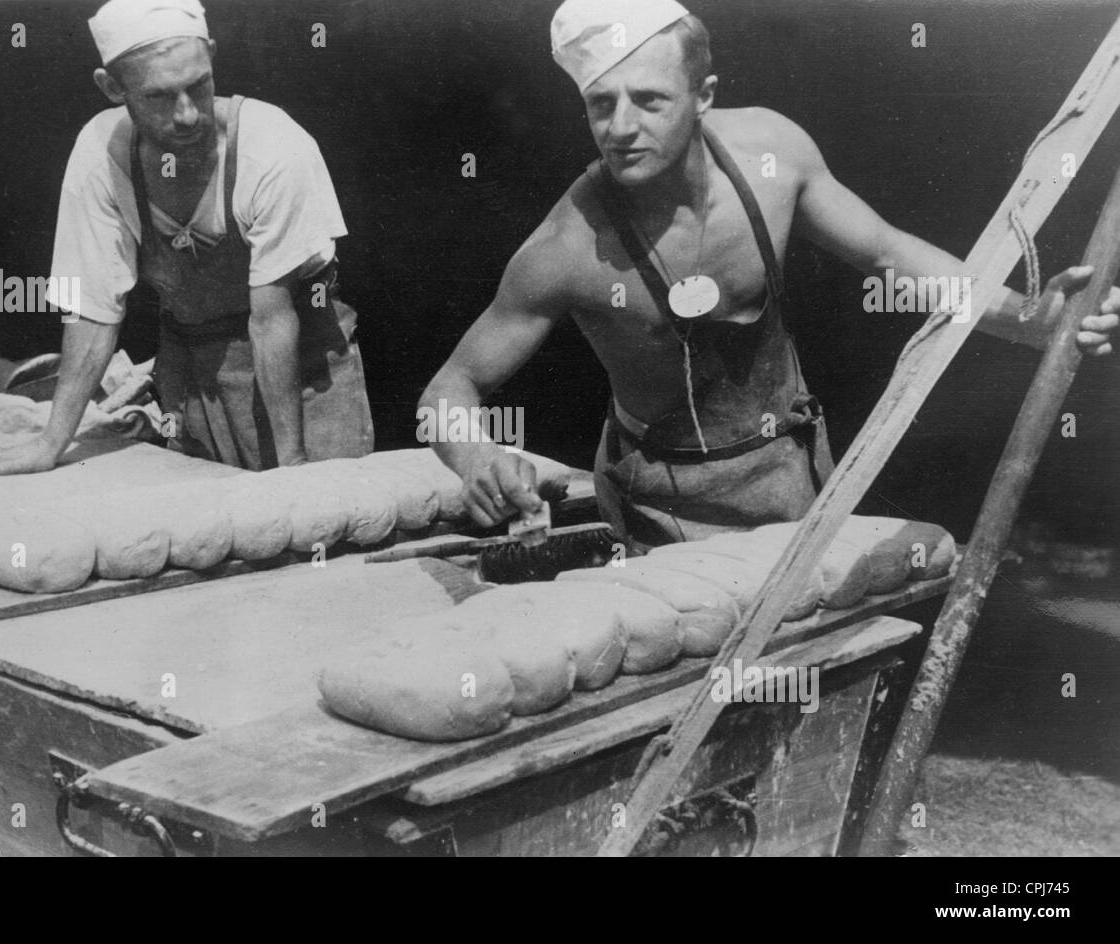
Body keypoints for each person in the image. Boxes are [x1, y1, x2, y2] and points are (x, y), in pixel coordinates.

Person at [420, 0, 1119, 549]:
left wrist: (1024, 320)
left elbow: (889, 254)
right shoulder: (569, 246)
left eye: (649, 100)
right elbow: (450, 387)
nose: (620, 127)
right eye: (601, 104)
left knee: (799, 668)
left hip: (788, 470)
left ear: (703, 95)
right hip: (661, 503)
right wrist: (475, 455)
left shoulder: (773, 159)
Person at [0, 0, 373, 475]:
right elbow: (92, 310)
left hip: (301, 375)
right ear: (112, 87)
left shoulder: (274, 147)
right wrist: (52, 442)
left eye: (199, 85)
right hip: (191, 377)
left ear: (212, 55)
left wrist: (292, 465)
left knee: (319, 524)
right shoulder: (101, 154)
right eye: (159, 96)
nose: (188, 114)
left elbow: (271, 321)